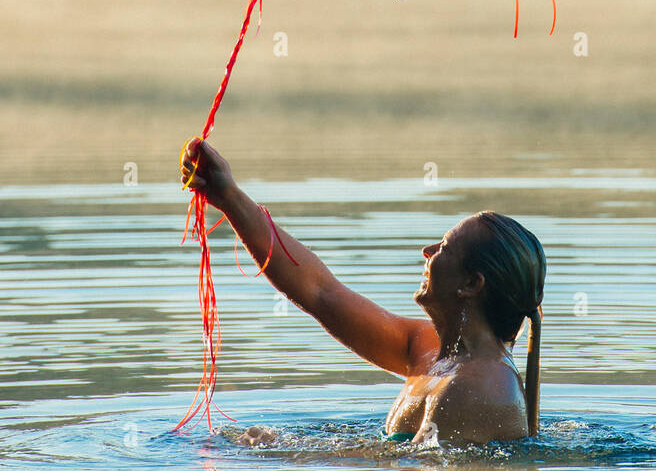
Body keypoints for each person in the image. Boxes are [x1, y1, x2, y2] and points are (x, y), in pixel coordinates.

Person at [181, 138, 546, 445]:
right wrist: (227, 196)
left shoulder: (479, 386)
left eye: (445, 248)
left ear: (471, 285)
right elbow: (321, 293)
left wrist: (285, 449)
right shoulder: (432, 352)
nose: (428, 252)